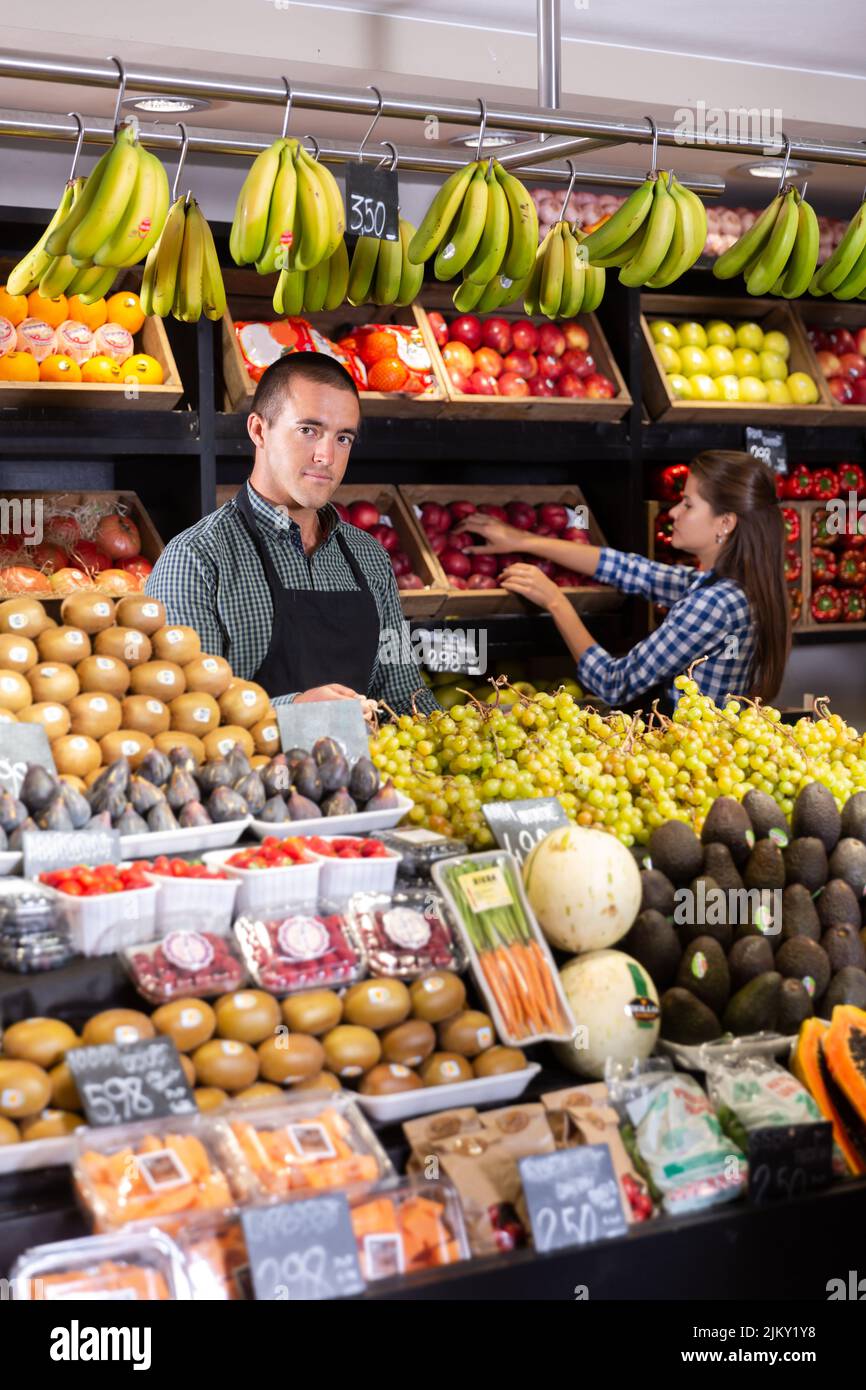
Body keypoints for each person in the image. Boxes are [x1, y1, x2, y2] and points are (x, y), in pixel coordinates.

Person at [147, 352, 437, 717]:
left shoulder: (369, 557)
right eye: (308, 430)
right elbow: (187, 715)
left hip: (366, 772)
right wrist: (294, 711)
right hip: (252, 773)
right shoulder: (196, 558)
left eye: (343, 438)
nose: (326, 456)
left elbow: (403, 696)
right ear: (258, 430)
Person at [457, 450, 790, 708]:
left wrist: (556, 601)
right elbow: (632, 570)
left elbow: (613, 683)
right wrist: (522, 540)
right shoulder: (726, 588)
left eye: (688, 504)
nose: (673, 512)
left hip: (686, 762)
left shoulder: (715, 603)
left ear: (725, 523)